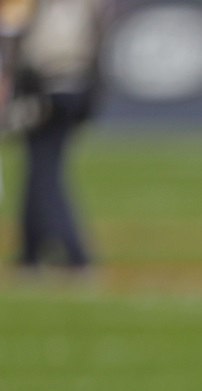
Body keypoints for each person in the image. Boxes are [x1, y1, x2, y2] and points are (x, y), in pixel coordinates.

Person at [3, 0, 110, 272]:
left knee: (44, 170)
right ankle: (31, 251)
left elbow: (13, 37)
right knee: (40, 164)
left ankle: (75, 254)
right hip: (75, 85)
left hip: (47, 87)